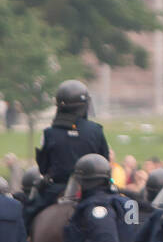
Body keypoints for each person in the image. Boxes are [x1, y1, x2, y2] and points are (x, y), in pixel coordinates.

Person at [29, 81, 110, 229]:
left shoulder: (49, 133)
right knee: (126, 212)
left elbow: (43, 167)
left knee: (26, 214)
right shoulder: (96, 130)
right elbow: (105, 162)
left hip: (55, 189)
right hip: (93, 189)